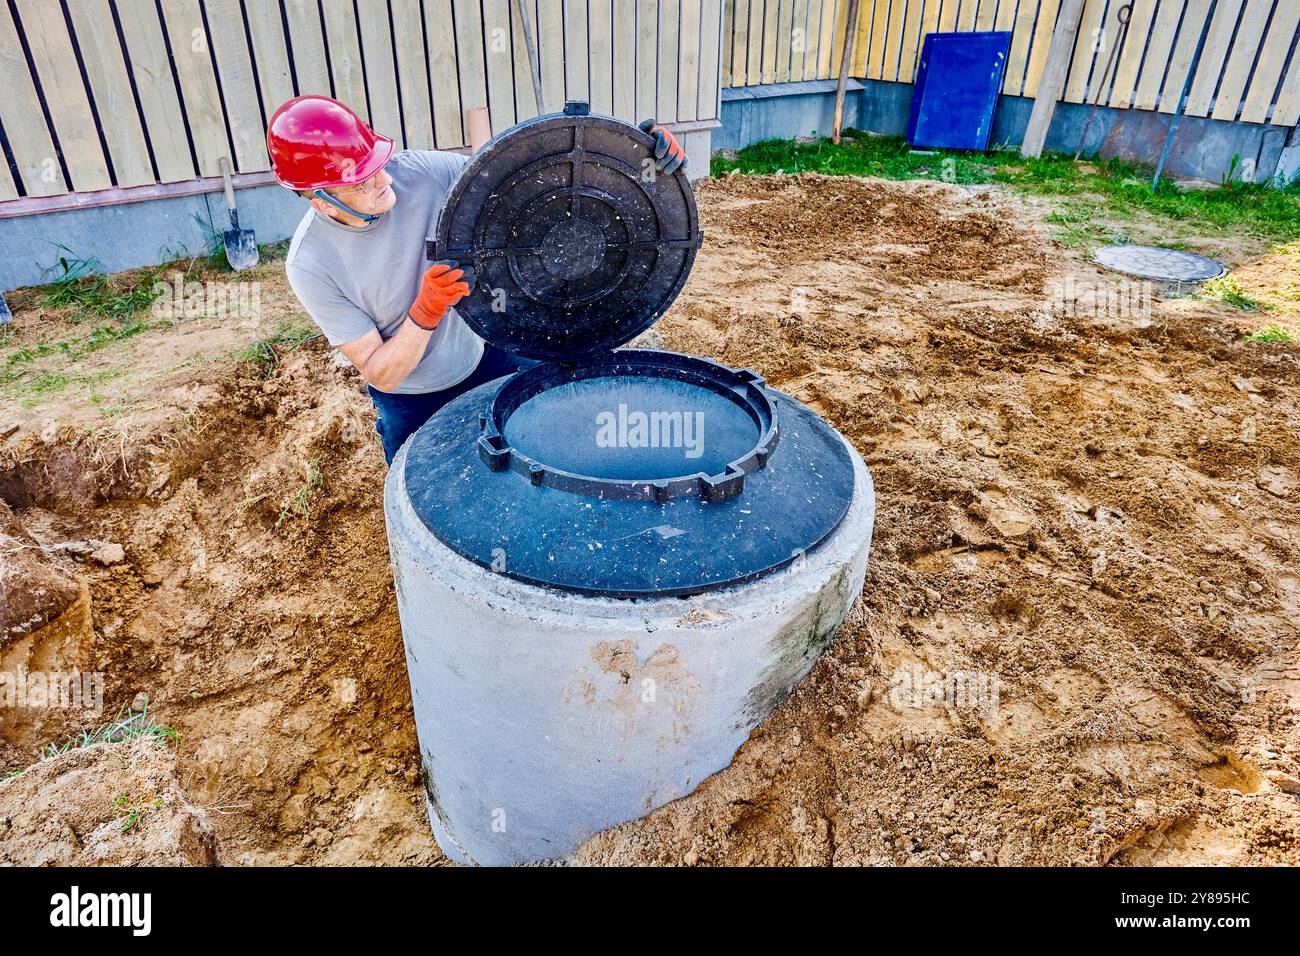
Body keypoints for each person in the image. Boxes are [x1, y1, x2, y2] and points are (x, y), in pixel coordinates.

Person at [268, 95, 687, 464]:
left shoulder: (425, 174)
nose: (385, 179)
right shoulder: (312, 264)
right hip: (411, 400)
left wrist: (636, 157)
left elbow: (530, 179)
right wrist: (425, 310)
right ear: (321, 201)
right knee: (424, 499)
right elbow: (382, 374)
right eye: (363, 180)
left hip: (484, 354)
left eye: (378, 163)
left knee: (529, 456)